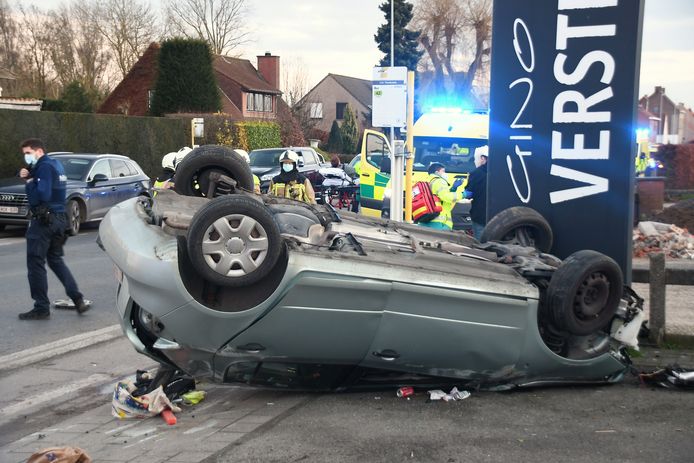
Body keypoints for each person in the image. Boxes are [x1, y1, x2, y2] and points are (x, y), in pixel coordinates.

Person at [18, 138, 89, 320]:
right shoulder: (55, 164)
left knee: (35, 264)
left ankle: (41, 307)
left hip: (43, 221)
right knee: (55, 260)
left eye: (27, 153)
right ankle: (77, 298)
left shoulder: (44, 168)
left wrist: (29, 182)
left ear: (38, 151)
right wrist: (32, 175)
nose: (25, 157)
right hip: (59, 220)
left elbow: (41, 195)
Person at [419, 162, 463, 231]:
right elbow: (446, 197)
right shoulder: (439, 181)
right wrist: (463, 194)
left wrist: (453, 188)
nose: (445, 173)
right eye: (443, 171)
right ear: (437, 172)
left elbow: (438, 195)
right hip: (439, 223)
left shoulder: (425, 181)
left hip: (425, 219)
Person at [464, 145, 489, 240]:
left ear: (482, 158)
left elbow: (469, 193)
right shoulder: (500, 171)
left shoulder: (477, 173)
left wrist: (464, 193)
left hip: (480, 215)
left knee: (480, 243)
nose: (475, 161)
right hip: (498, 217)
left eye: (475, 159)